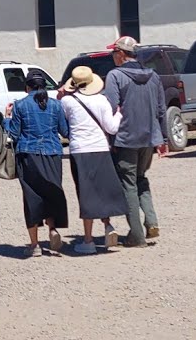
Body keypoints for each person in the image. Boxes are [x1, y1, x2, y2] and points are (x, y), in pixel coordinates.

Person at [101, 36, 169, 248]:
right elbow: (161, 109)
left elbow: (110, 106)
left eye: (114, 52)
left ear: (121, 54)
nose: (112, 56)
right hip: (149, 138)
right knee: (141, 179)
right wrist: (164, 138)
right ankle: (151, 221)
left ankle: (137, 235)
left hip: (125, 138)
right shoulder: (154, 76)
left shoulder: (115, 76)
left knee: (128, 184)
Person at [59, 66, 127, 255]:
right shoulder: (101, 100)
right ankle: (108, 226)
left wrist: (62, 95)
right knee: (102, 190)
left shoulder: (67, 101)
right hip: (100, 148)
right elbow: (112, 128)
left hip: (80, 150)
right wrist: (119, 113)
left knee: (86, 194)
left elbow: (63, 122)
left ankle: (88, 240)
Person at [6, 75, 70, 257]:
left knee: (31, 196)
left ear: (27, 87)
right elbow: (64, 131)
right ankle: (53, 230)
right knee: (51, 192)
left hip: (29, 153)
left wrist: (6, 118)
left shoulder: (20, 105)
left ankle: (34, 245)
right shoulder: (56, 105)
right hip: (53, 152)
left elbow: (14, 133)